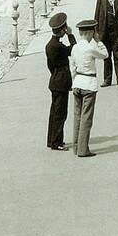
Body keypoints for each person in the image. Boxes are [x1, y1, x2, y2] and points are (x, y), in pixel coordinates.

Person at [70, 19, 109, 157]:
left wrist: (74, 81)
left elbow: (72, 67)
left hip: (77, 83)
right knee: (86, 118)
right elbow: (105, 55)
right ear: (90, 32)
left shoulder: (75, 48)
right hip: (89, 84)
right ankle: (83, 150)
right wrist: (98, 41)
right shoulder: (91, 48)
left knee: (77, 117)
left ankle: (76, 147)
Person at [44, 11, 75, 150]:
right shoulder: (58, 46)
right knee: (61, 114)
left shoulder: (50, 45)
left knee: (54, 113)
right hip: (61, 83)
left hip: (55, 81)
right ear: (62, 29)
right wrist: (71, 35)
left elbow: (50, 66)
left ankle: (52, 140)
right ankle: (56, 142)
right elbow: (73, 49)